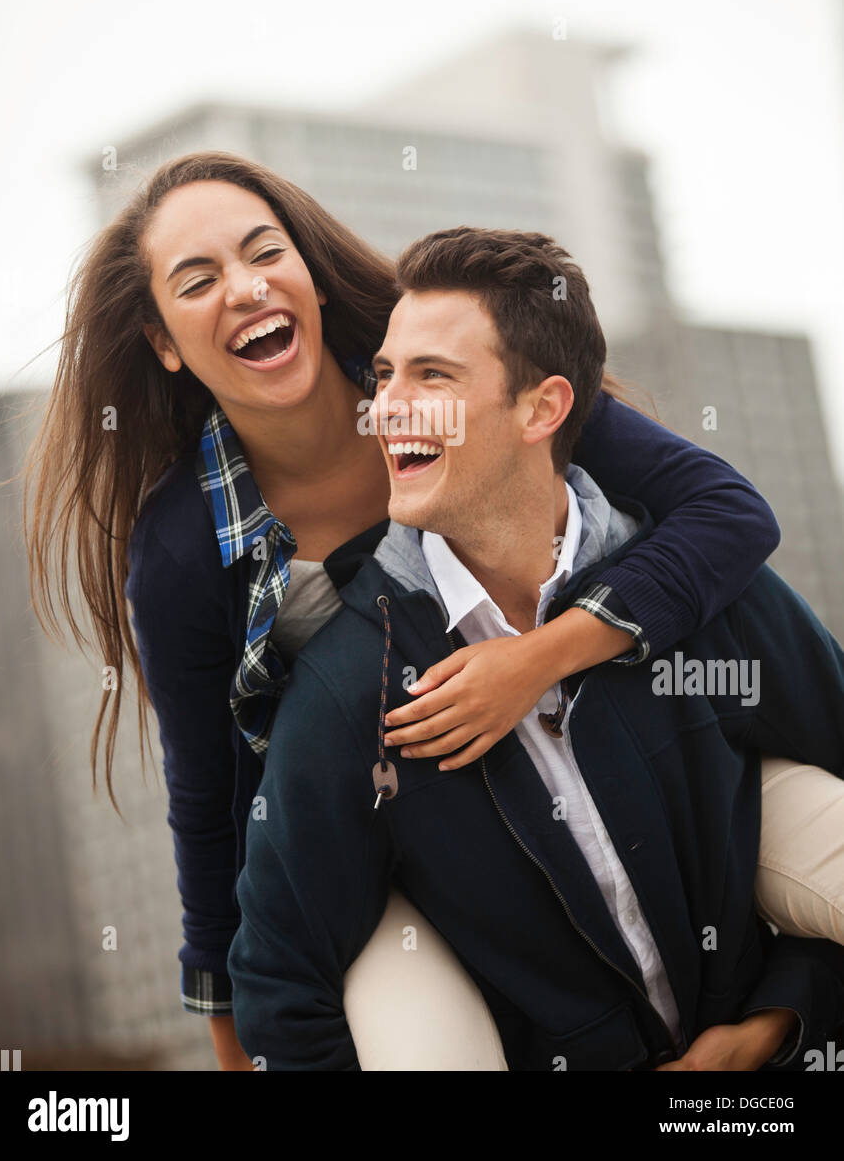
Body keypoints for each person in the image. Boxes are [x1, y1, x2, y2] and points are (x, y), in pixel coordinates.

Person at [20, 153, 824, 1070]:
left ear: (311, 279)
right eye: (197, 282)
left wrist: (537, 660)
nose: (243, 289)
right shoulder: (180, 549)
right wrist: (228, 1032)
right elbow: (209, 800)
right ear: (165, 341)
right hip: (395, 825)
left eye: (263, 253)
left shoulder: (466, 372)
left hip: (602, 747)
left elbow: (729, 514)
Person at [227, 226, 844, 1071]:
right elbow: (279, 990)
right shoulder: (350, 693)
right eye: (384, 375)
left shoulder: (712, 601)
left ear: (543, 409)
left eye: (432, 376)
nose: (387, 406)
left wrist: (779, 1020)